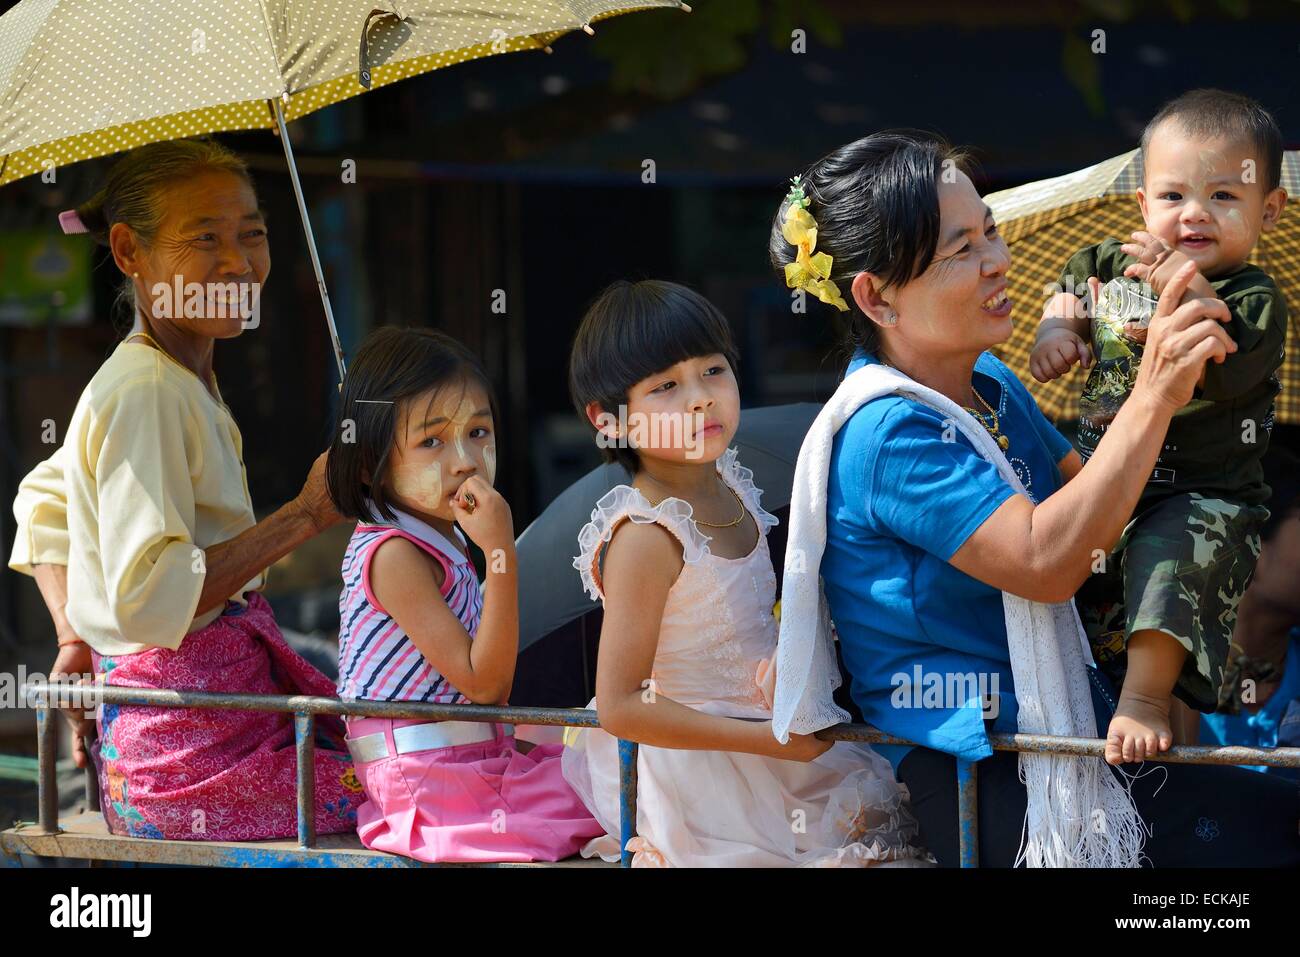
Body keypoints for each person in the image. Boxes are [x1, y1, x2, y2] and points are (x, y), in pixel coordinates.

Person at [768, 130, 1300, 867]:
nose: (999, 260)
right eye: (961, 249)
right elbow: (1048, 560)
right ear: (875, 296)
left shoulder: (991, 381)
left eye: (990, 231)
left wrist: (1168, 397)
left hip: (1074, 726)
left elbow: (1101, 513)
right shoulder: (888, 429)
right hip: (988, 769)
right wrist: (1152, 392)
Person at [8, 138, 362, 841]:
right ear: (129, 251)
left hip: (183, 741)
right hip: (190, 756)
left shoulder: (170, 375)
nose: (238, 261)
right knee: (401, 785)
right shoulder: (147, 389)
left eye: (252, 234)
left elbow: (43, 497)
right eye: (205, 237)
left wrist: (74, 634)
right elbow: (149, 595)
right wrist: (305, 514)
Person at [560, 279, 932, 867]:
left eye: (712, 371)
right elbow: (620, 705)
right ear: (610, 421)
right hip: (703, 766)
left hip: (777, 734)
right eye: (665, 387)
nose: (700, 399)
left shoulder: (734, 482)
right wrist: (767, 741)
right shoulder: (645, 537)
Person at [1030, 89, 1289, 763]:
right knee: (1081, 590)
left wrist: (1181, 280)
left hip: (1200, 494)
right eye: (1173, 197)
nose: (1195, 214)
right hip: (1105, 479)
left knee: (1168, 565)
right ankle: (1110, 702)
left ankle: (1145, 698)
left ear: (1270, 209)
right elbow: (1071, 286)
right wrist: (1058, 330)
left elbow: (1220, 354)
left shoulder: (1254, 299)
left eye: (1224, 197)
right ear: (1142, 205)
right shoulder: (1112, 264)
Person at [324, 326, 603, 862]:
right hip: (429, 785)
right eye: (431, 441)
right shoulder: (395, 554)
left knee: (611, 767)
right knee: (610, 798)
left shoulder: (444, 533)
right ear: (369, 465)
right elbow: (486, 684)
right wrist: (501, 550)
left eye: (477, 431)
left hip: (473, 762)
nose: (465, 460)